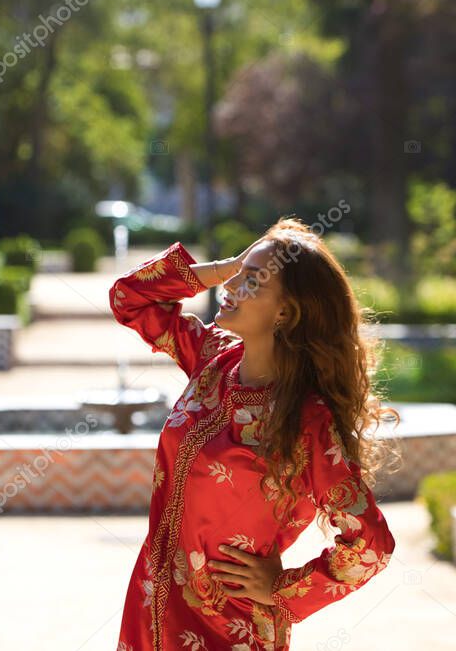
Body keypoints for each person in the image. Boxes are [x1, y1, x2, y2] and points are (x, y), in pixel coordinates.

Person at [112, 217, 399, 651]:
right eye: (238, 276)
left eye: (253, 282)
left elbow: (370, 545)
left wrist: (282, 589)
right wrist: (229, 266)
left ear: (285, 311)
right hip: (150, 612)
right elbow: (129, 298)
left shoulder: (308, 419)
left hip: (230, 628)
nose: (230, 289)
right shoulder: (213, 359)